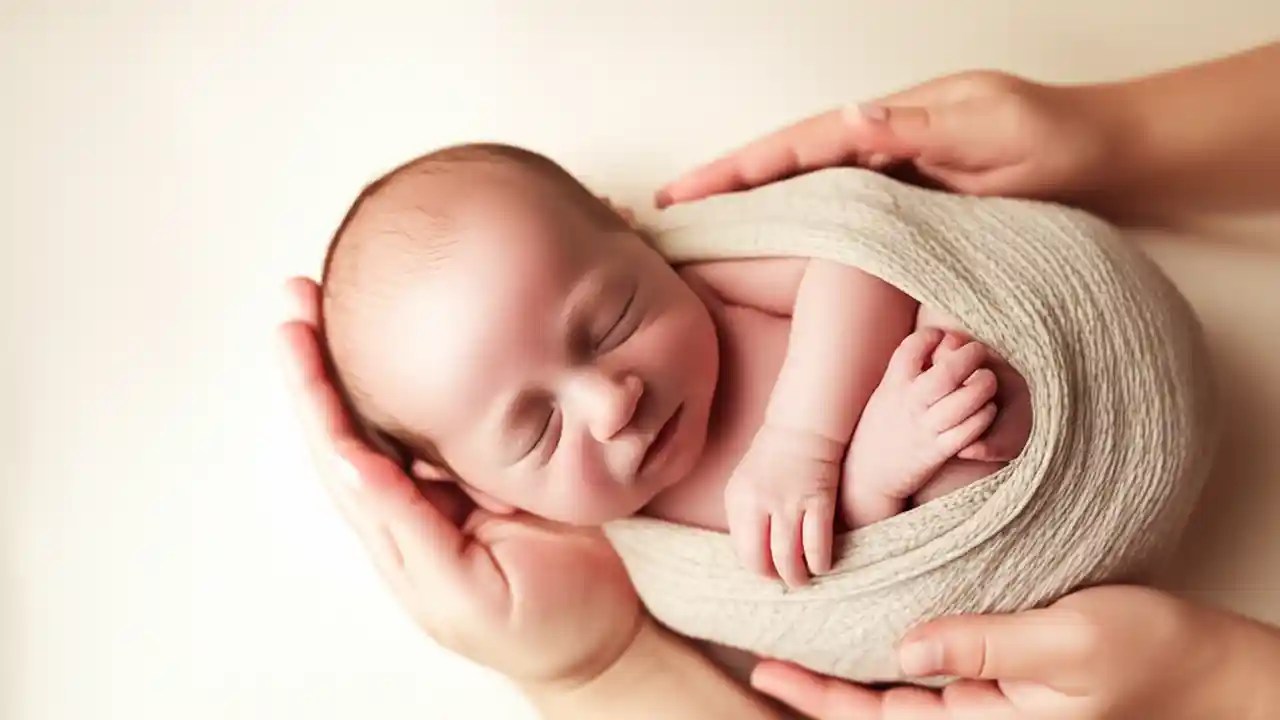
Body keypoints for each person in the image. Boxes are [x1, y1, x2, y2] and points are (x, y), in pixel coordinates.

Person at [279, 41, 1280, 718]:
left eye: (612, 320)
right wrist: (867, 480)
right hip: (1071, 578)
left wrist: (805, 438)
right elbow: (813, 582)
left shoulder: (711, 272)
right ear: (484, 492)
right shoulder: (662, 573)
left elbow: (854, 252)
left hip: (1074, 319)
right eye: (534, 431)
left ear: (628, 230)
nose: (608, 399)